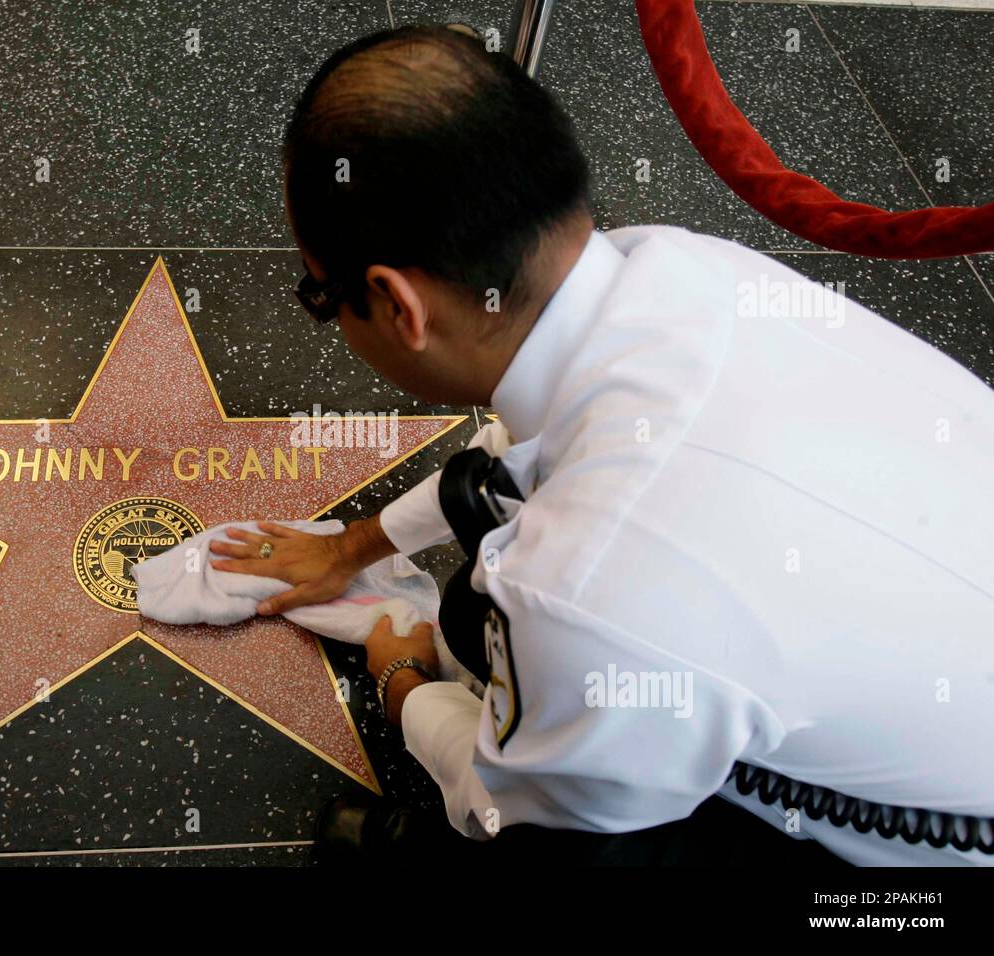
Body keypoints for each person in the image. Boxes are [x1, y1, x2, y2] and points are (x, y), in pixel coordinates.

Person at [209, 25, 994, 866]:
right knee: (483, 619)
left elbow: (499, 805)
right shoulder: (685, 267)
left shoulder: (588, 599)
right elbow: (529, 457)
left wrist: (402, 682)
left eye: (317, 294)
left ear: (398, 305)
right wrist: (354, 548)